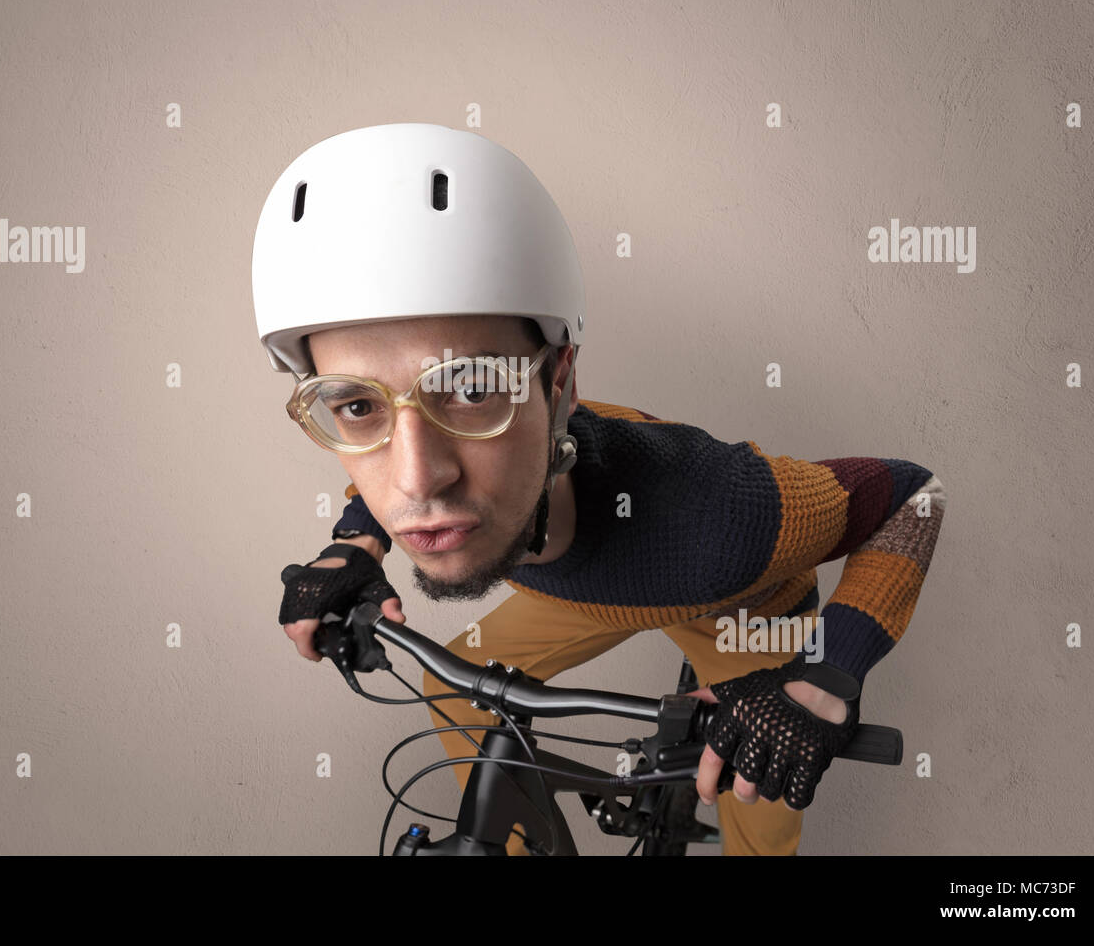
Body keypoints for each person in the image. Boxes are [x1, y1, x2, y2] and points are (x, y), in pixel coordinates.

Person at [252, 122, 947, 855]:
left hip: (738, 600)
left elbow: (913, 494)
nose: (417, 481)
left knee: (756, 797)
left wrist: (827, 676)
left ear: (559, 388)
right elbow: (398, 470)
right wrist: (352, 543)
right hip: (589, 583)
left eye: (474, 388)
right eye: (358, 405)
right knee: (453, 688)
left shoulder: (726, 511)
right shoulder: (454, 493)